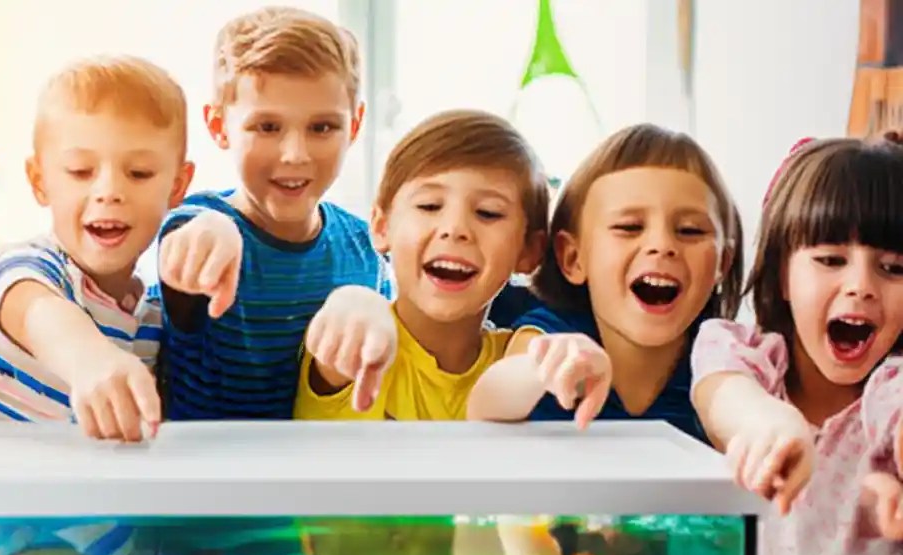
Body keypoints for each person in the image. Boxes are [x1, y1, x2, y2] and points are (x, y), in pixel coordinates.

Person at [0, 55, 194, 555]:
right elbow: (37, 311)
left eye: (139, 172)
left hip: (118, 551)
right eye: (81, 171)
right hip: (20, 549)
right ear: (39, 180)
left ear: (177, 185)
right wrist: (90, 361)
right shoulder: (23, 265)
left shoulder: (151, 314)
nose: (109, 191)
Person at [691, 136, 903, 555]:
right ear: (782, 273)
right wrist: (773, 424)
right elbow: (722, 396)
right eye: (830, 259)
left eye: (894, 268)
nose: (861, 284)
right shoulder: (743, 355)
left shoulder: (891, 385)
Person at [155, 6, 391, 422]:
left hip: (319, 459)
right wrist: (213, 234)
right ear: (218, 126)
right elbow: (189, 235)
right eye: (267, 127)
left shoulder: (365, 248)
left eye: (322, 127)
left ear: (354, 126)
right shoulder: (200, 221)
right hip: (207, 461)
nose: (295, 154)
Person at [465, 123, 742, 442]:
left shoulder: (723, 359)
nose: (662, 245)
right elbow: (484, 404)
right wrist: (544, 368)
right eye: (629, 227)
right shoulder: (550, 335)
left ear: (722, 264)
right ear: (573, 258)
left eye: (690, 231)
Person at [295, 109, 548, 420]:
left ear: (529, 250)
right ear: (381, 226)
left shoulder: (518, 360)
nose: (455, 228)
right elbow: (346, 320)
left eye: (488, 212)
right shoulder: (359, 340)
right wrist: (353, 301)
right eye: (429, 206)